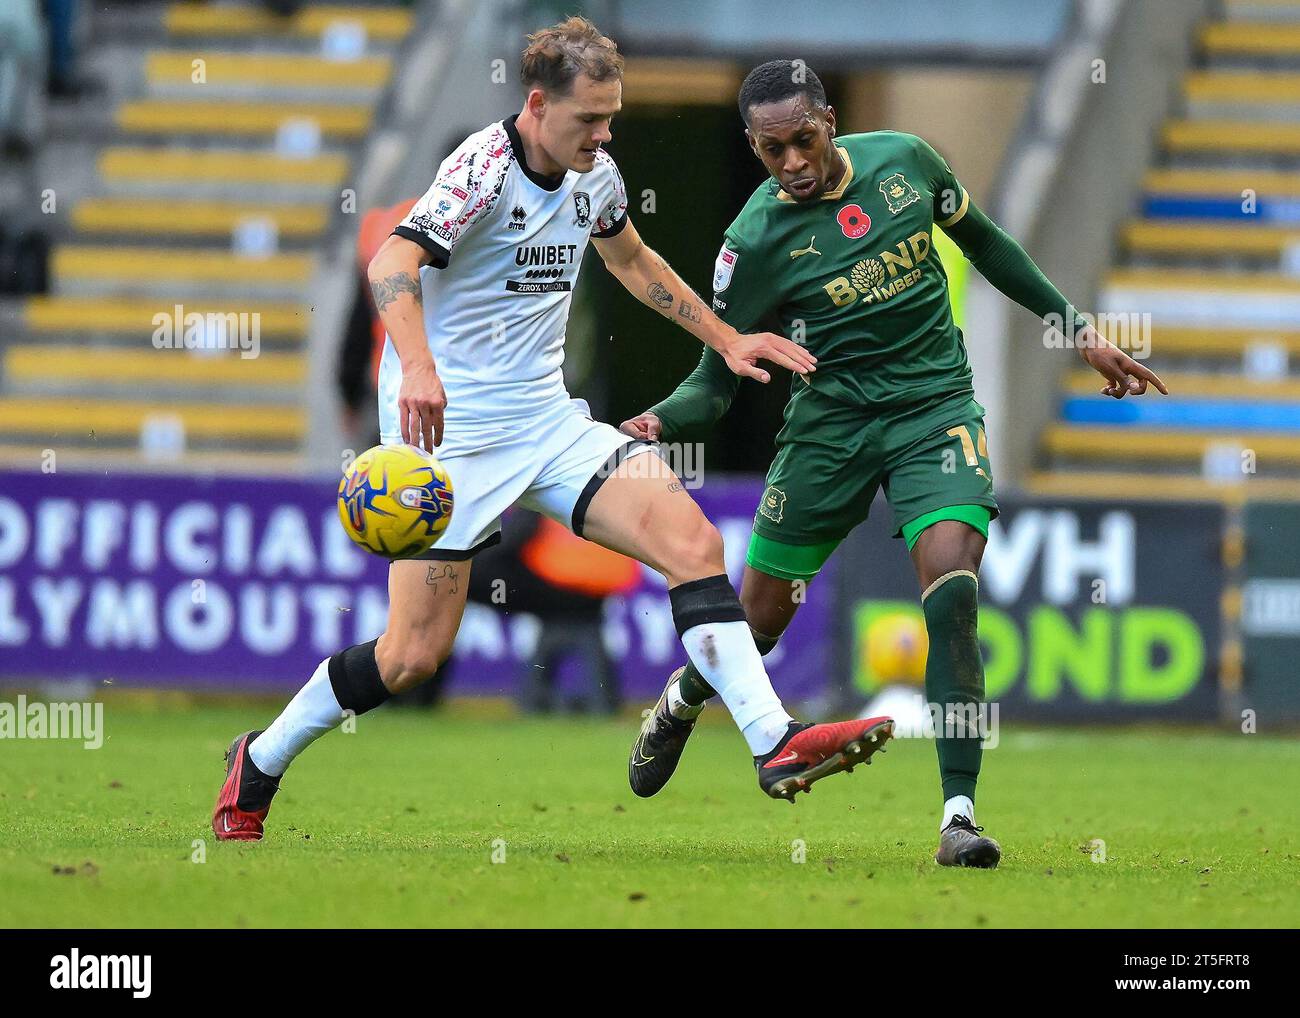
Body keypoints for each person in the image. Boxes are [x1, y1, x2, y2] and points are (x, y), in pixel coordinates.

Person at [212, 20, 893, 842]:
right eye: (590, 119)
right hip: (449, 444)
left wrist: (728, 337)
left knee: (695, 546)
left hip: (546, 421)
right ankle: (260, 760)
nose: (605, 136)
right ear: (538, 104)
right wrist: (420, 368)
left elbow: (635, 264)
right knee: (409, 658)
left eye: (611, 118)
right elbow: (390, 264)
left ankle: (773, 743)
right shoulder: (481, 170)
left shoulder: (594, 175)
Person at [621, 60, 1168, 868]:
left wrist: (1077, 329)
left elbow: (985, 242)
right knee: (758, 622)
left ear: (830, 121)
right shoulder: (753, 241)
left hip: (933, 413)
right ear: (754, 146)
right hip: (829, 432)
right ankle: (682, 697)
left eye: (804, 140)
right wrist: (654, 423)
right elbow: (716, 381)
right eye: (773, 151)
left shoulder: (907, 162)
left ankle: (959, 816)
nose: (793, 163)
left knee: (951, 591)